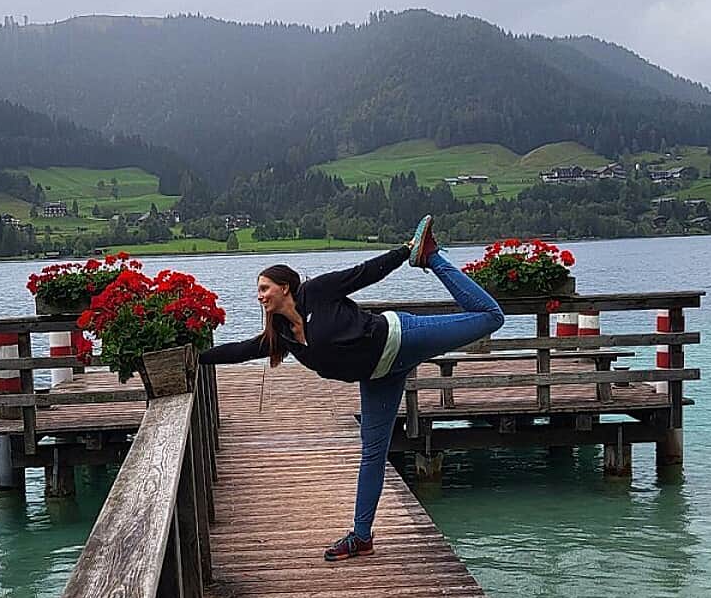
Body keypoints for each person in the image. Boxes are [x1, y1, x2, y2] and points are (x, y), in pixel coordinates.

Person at [198, 216, 505, 561]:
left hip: (400, 338)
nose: (260, 296)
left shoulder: (316, 292)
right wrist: (197, 356)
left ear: (285, 287)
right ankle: (361, 537)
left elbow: (364, 273)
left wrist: (406, 252)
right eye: (258, 291)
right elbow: (240, 350)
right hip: (378, 377)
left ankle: (431, 256)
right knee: (372, 455)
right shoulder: (282, 335)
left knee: (492, 317)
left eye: (264, 288)